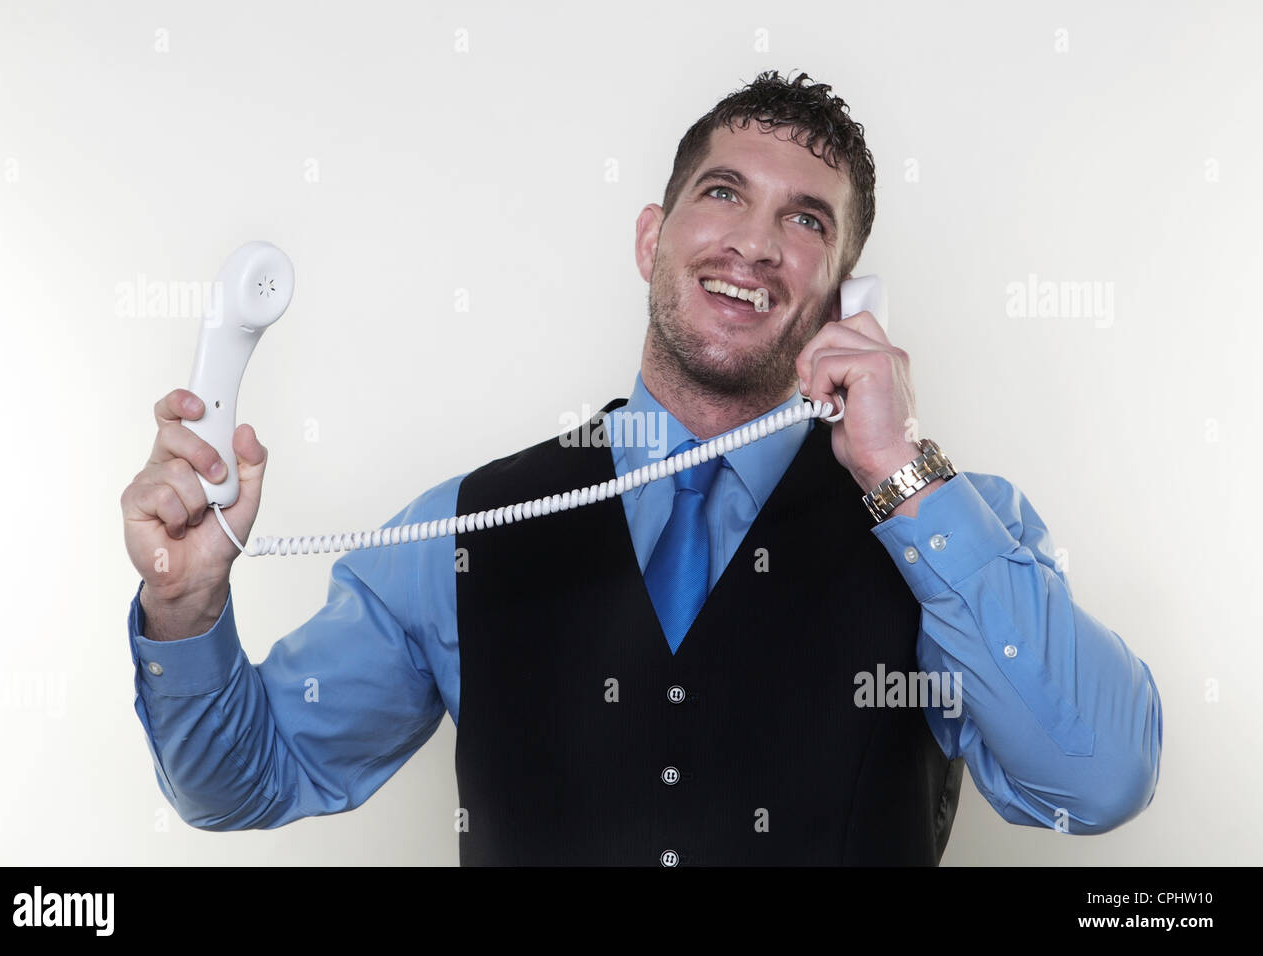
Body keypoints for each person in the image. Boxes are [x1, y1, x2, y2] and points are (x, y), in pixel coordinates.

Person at [120, 70, 1162, 866]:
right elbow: (243, 781)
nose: (755, 244)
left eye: (806, 221)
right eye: (724, 194)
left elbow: (1098, 777)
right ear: (653, 238)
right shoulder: (464, 530)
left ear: (849, 295)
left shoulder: (945, 524)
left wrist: (897, 469)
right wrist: (186, 608)